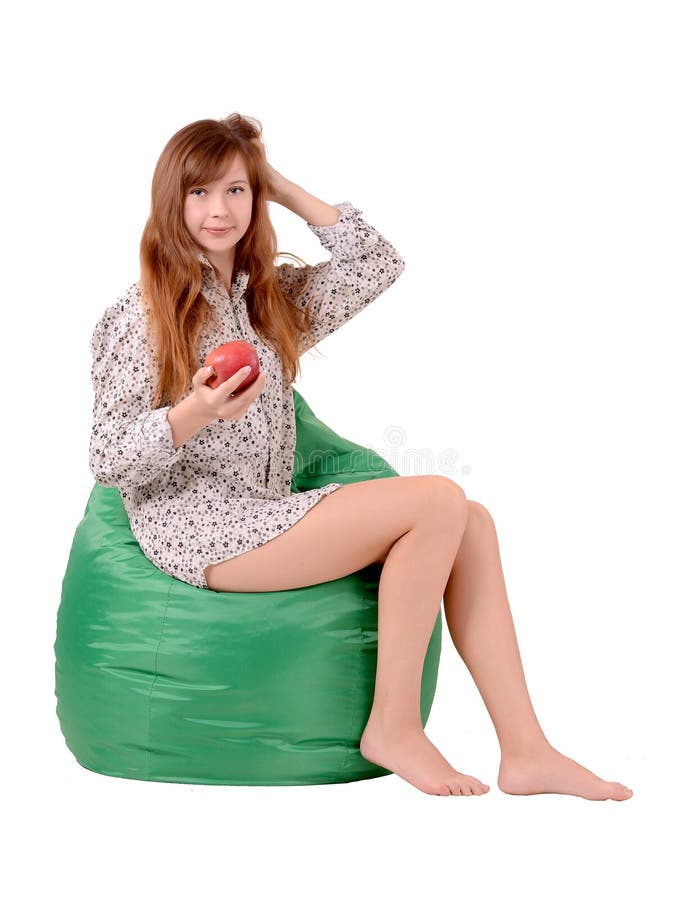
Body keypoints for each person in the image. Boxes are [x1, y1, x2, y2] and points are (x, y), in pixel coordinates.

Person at [89, 113, 633, 802]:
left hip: (260, 513)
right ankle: (394, 725)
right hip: (197, 531)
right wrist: (194, 412)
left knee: (473, 522)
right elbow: (106, 455)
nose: (219, 210)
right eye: (199, 193)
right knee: (438, 499)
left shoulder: (267, 307)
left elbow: (377, 263)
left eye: (235, 190)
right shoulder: (143, 313)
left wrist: (278, 182)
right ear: (171, 203)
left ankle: (526, 749)